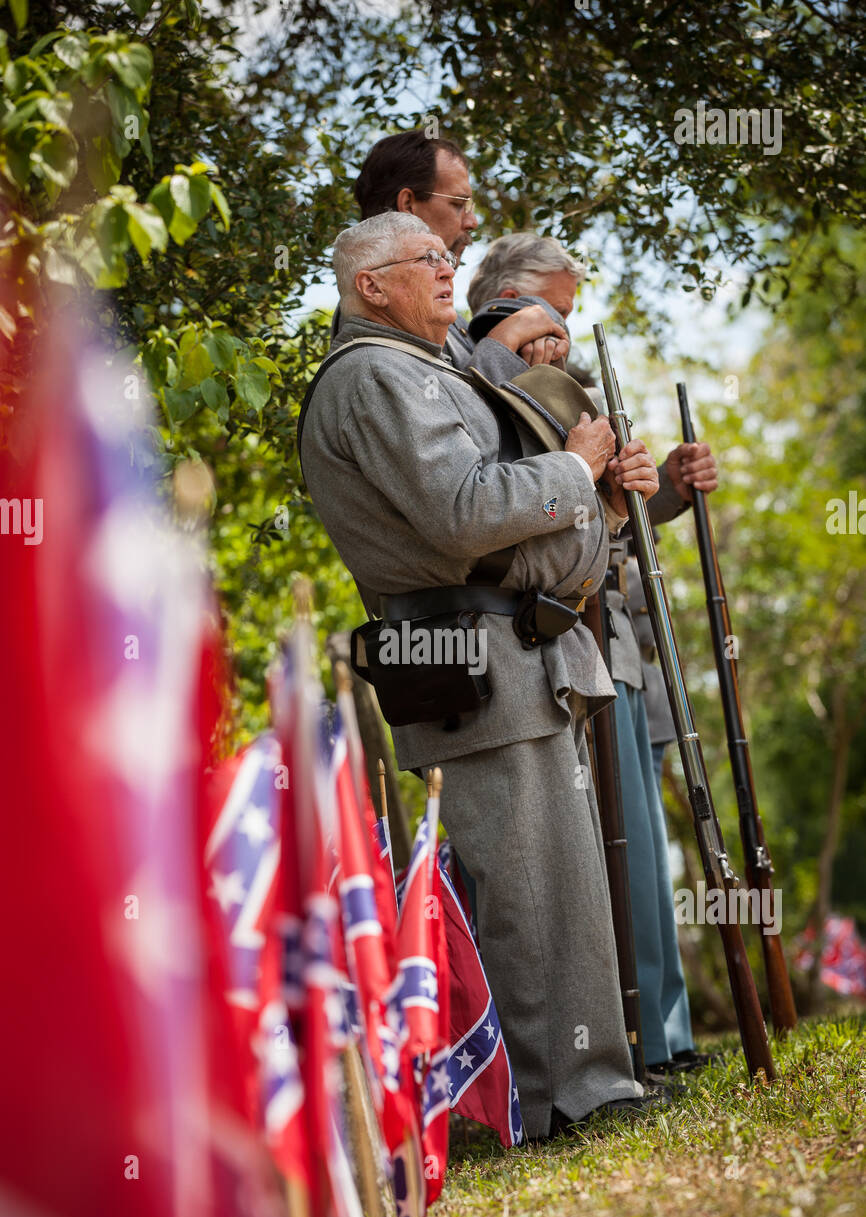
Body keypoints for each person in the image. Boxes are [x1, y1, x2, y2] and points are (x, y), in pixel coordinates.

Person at [300, 211, 667, 1140]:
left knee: (562, 882)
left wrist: (609, 499)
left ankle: (587, 1082)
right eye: (429, 258)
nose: (449, 266)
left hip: (521, 656)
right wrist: (574, 469)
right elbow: (464, 516)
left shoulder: (430, 367)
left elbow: (520, 523)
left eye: (448, 257)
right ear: (371, 286)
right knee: (525, 893)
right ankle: (551, 1101)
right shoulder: (374, 374)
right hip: (471, 660)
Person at [466, 232, 719, 1074]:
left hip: (616, 643)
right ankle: (627, 1042)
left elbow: (603, 517)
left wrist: (666, 487)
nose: (563, 329)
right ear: (505, 304)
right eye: (552, 310)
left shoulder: (555, 382)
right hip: (556, 642)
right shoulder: (477, 381)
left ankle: (667, 1033)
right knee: (604, 859)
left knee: (642, 853)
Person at [346, 130, 570, 376]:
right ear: (409, 204)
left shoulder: (446, 319)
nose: (472, 221)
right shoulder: (384, 314)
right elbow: (450, 409)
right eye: (458, 204)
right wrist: (504, 341)